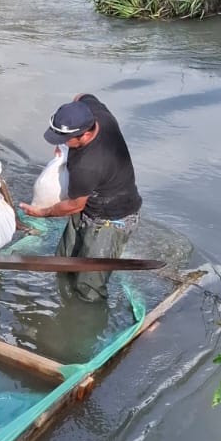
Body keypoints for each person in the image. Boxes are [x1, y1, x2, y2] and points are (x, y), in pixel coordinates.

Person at [19, 93, 141, 303]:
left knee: (89, 288)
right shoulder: (97, 114)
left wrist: (43, 212)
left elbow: (74, 205)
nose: (61, 143)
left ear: (84, 135)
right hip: (90, 206)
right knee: (62, 263)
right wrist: (63, 143)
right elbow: (82, 96)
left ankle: (88, 325)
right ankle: (62, 301)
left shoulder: (89, 165)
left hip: (112, 219)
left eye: (65, 139)